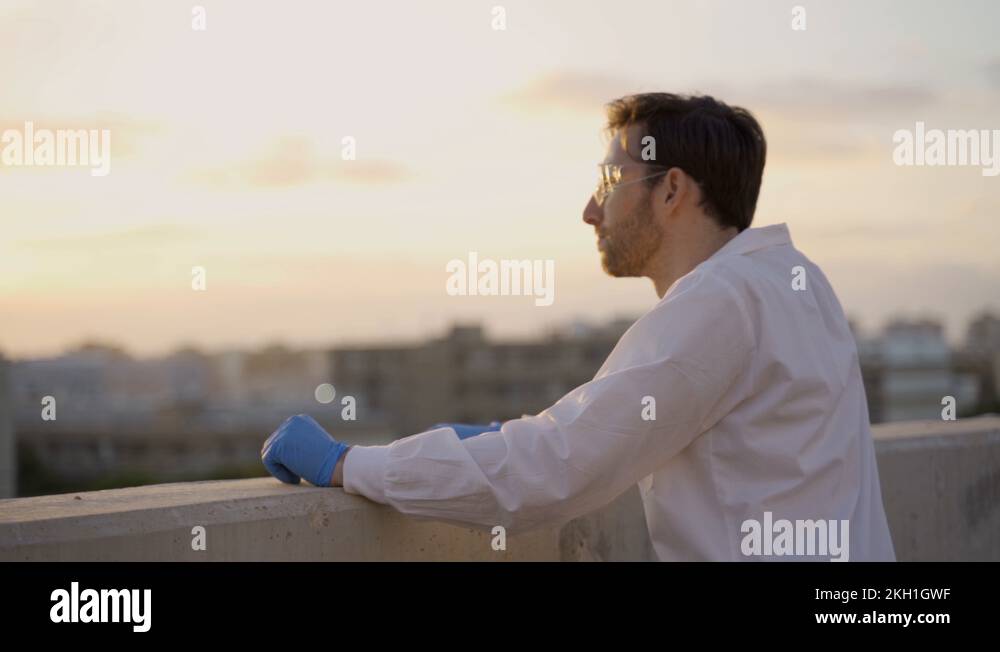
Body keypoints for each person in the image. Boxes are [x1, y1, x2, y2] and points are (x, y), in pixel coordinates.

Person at [261, 92, 896, 561]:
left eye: (610, 180)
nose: (591, 210)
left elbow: (554, 470)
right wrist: (486, 442)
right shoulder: (797, 279)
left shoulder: (717, 303)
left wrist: (351, 465)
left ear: (672, 191)